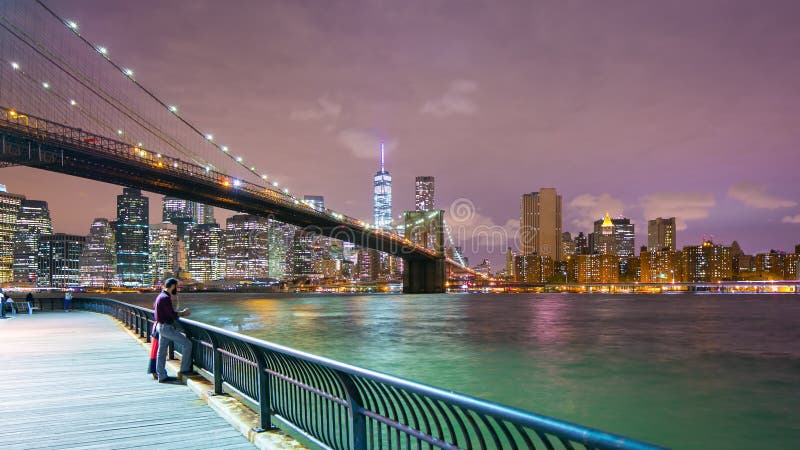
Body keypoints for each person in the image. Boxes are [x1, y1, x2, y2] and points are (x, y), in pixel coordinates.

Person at [154, 278, 193, 383]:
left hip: (160, 326)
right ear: (172, 286)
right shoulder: (165, 298)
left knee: (162, 352)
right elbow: (171, 314)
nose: (177, 288)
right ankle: (184, 370)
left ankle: (161, 375)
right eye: (176, 286)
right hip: (166, 327)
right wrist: (183, 313)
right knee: (187, 344)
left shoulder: (161, 296)